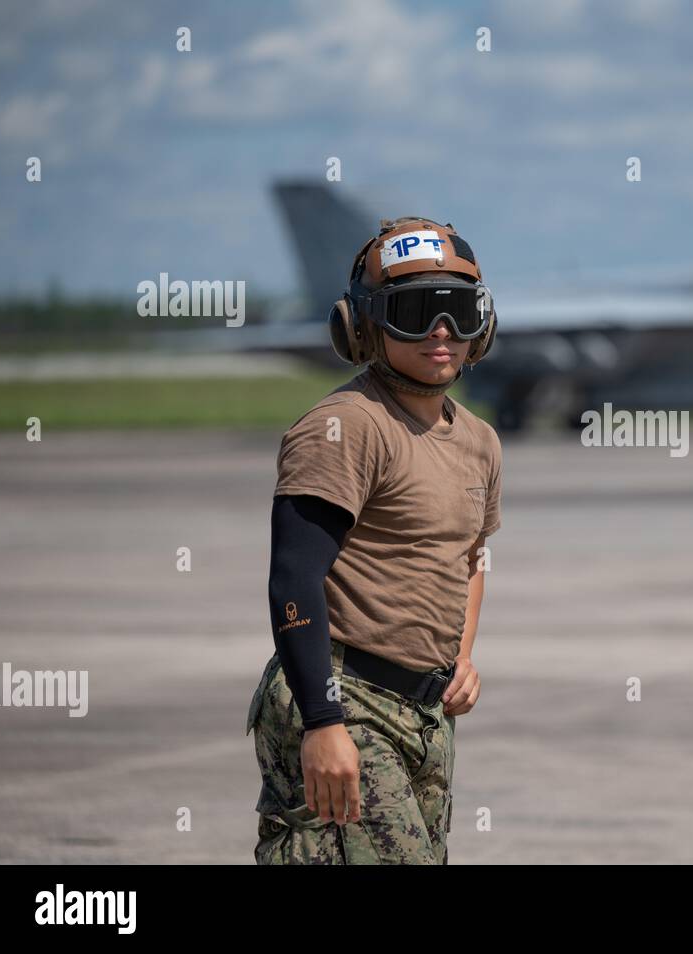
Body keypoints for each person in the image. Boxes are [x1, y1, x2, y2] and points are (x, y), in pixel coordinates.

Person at [245, 216, 501, 864]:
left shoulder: (479, 441)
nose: (441, 333)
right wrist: (323, 722)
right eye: (415, 312)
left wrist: (461, 659)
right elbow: (294, 579)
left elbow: (470, 560)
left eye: (458, 312)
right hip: (344, 696)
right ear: (363, 327)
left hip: (424, 712)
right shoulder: (344, 429)